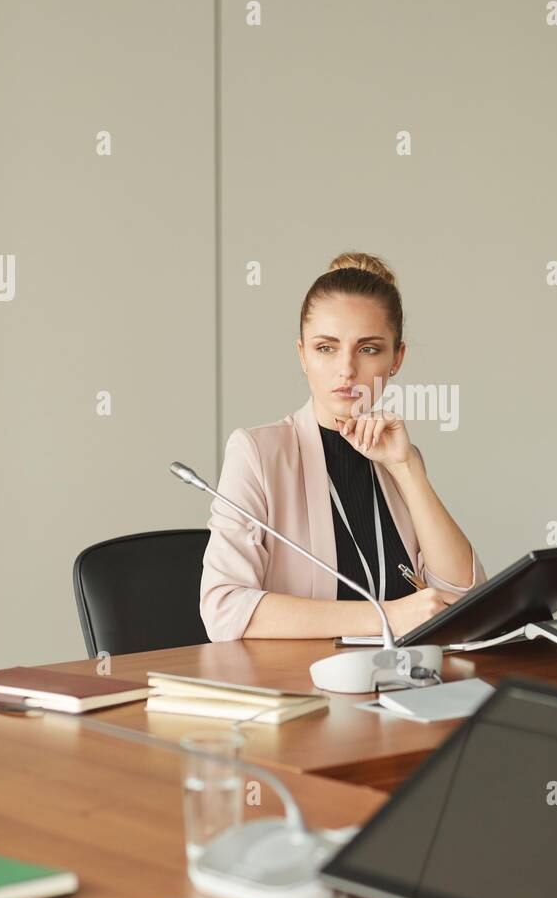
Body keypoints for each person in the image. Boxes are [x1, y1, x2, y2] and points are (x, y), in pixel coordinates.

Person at [199, 252, 486, 641]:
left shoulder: (395, 456)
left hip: (402, 683)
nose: (346, 369)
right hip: (302, 687)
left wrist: (407, 467)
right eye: (326, 348)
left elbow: (462, 598)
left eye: (368, 349)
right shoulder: (256, 453)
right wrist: (388, 616)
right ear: (302, 354)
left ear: (396, 358)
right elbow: (224, 608)